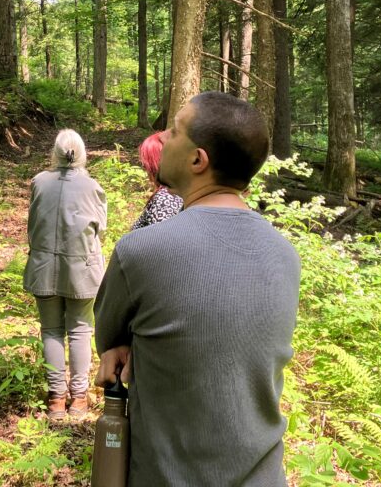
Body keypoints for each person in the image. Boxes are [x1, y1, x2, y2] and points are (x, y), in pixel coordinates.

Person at [94, 92, 301, 486]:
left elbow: (110, 340)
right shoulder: (285, 255)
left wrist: (122, 347)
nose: (163, 138)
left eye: (174, 131)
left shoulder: (141, 251)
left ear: (197, 160)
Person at [24, 129, 107, 421]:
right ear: (82, 153)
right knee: (81, 330)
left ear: (55, 153)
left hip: (43, 265)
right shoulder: (92, 187)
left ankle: (56, 400)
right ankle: (79, 398)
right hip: (82, 268)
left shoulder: (39, 182)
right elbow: (100, 230)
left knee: (51, 330)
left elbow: (33, 224)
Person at [129, 130, 183, 231]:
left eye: (146, 164)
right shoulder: (178, 192)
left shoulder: (165, 199)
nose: (145, 168)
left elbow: (160, 238)